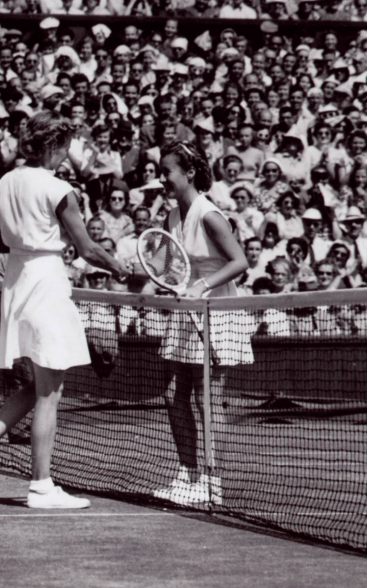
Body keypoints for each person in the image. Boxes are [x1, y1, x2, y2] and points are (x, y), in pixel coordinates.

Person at [0, 110, 128, 510]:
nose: (66, 158)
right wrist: (119, 267)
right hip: (46, 283)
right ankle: (41, 486)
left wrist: (32, 237)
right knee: (51, 392)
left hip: (17, 282)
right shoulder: (58, 189)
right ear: (52, 146)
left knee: (40, 385)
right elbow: (88, 249)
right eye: (65, 149)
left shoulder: (3, 185)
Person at [150, 140, 249, 505]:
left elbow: (239, 261)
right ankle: (188, 475)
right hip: (186, 309)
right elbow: (160, 267)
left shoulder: (209, 215)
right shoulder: (171, 216)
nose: (162, 179)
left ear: (189, 173)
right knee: (173, 394)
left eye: (167, 172)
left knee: (208, 400)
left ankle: (212, 482)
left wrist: (202, 286)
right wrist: (133, 278)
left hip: (216, 309)